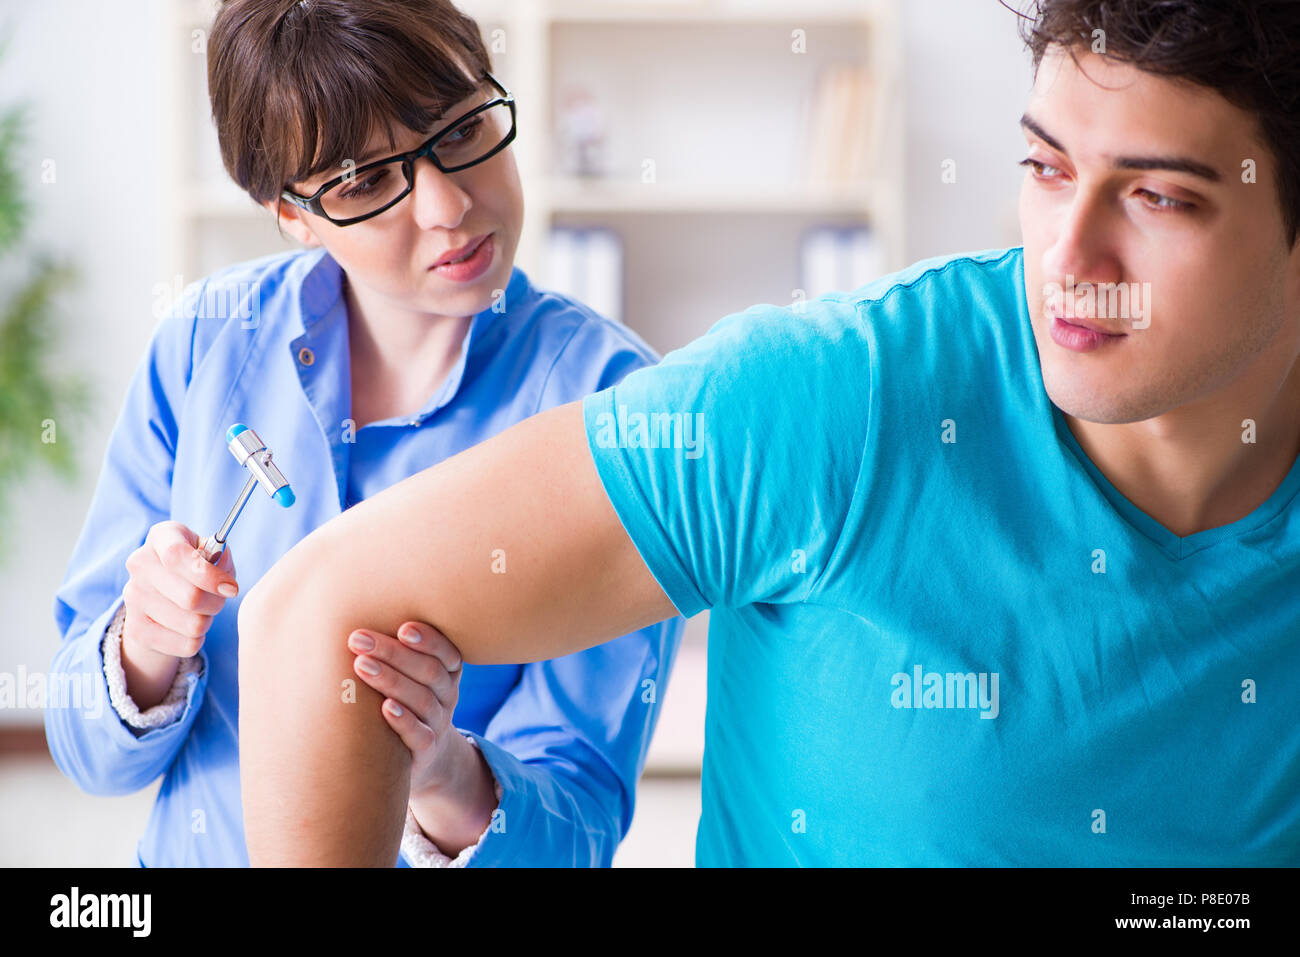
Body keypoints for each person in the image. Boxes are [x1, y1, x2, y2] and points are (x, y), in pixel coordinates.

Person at [238, 0, 1300, 866]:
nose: (1067, 259)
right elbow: (321, 608)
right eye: (1046, 168)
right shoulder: (832, 399)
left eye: (1156, 197)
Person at [46, 0, 683, 867]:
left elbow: (580, 823)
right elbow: (87, 751)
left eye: (461, 130)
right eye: (366, 182)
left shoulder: (612, 405)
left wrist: (444, 772)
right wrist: (145, 649)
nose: (449, 204)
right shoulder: (205, 339)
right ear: (292, 213)